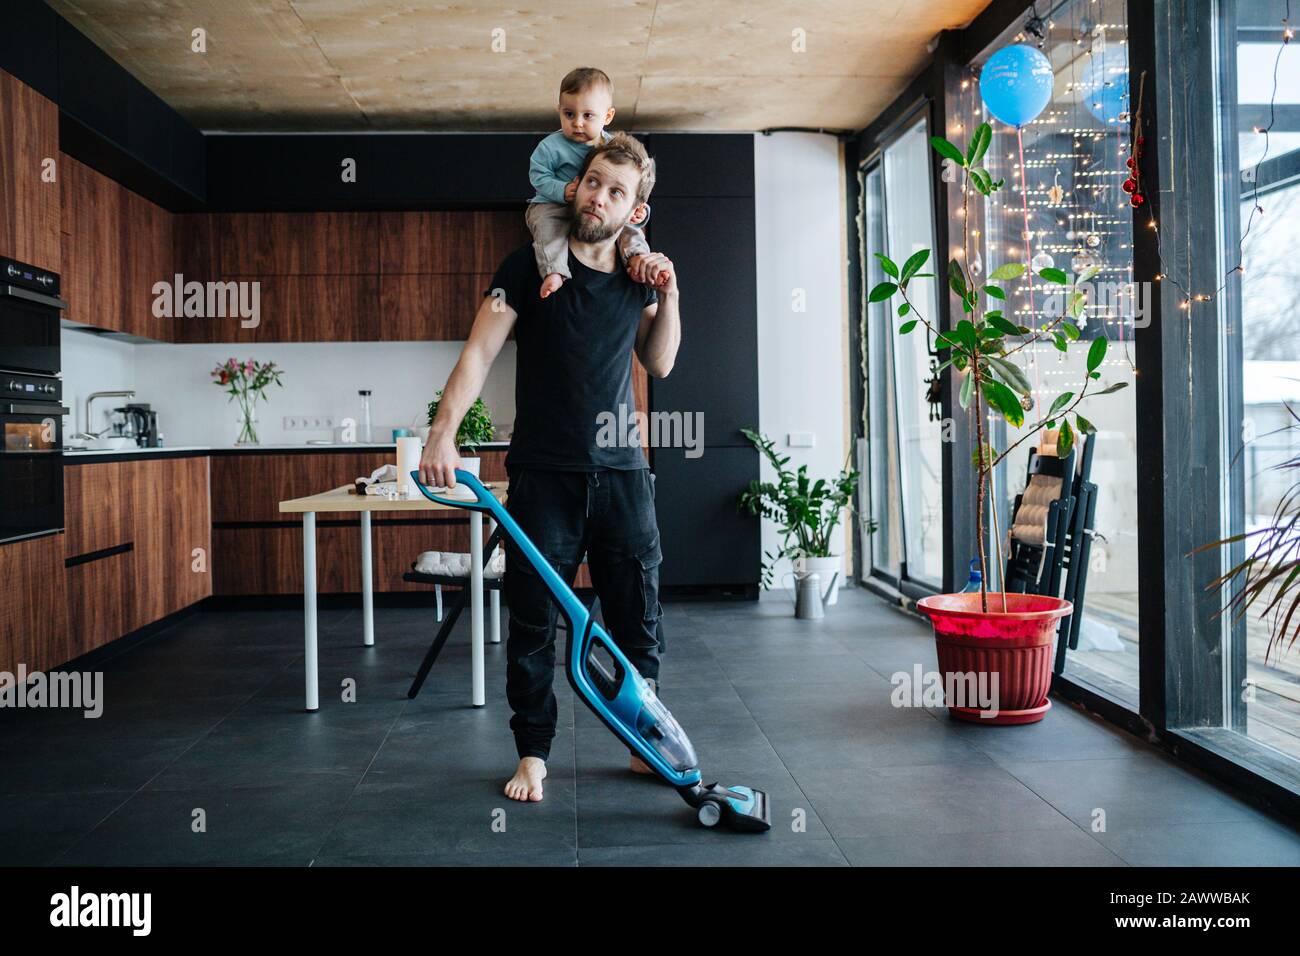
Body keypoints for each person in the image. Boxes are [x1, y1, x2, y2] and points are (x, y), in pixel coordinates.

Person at [419, 132, 680, 804]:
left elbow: (661, 362)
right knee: (532, 619)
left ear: (634, 210)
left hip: (623, 473)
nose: (599, 197)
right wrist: (441, 435)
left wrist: (671, 295)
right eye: (594, 181)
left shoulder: (636, 278)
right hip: (543, 474)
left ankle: (639, 740)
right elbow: (478, 354)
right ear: (576, 185)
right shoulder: (526, 268)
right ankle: (534, 752)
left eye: (616, 191)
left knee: (636, 614)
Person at [525, 66, 669, 298]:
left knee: (628, 227)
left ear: (608, 116)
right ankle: (554, 271)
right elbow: (538, 176)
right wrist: (562, 190)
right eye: (569, 114)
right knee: (547, 228)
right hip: (553, 203)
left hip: (601, 212)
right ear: (559, 111)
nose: (578, 123)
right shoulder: (551, 146)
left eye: (588, 115)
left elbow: (633, 186)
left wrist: (641, 211)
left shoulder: (614, 148)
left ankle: (636, 258)